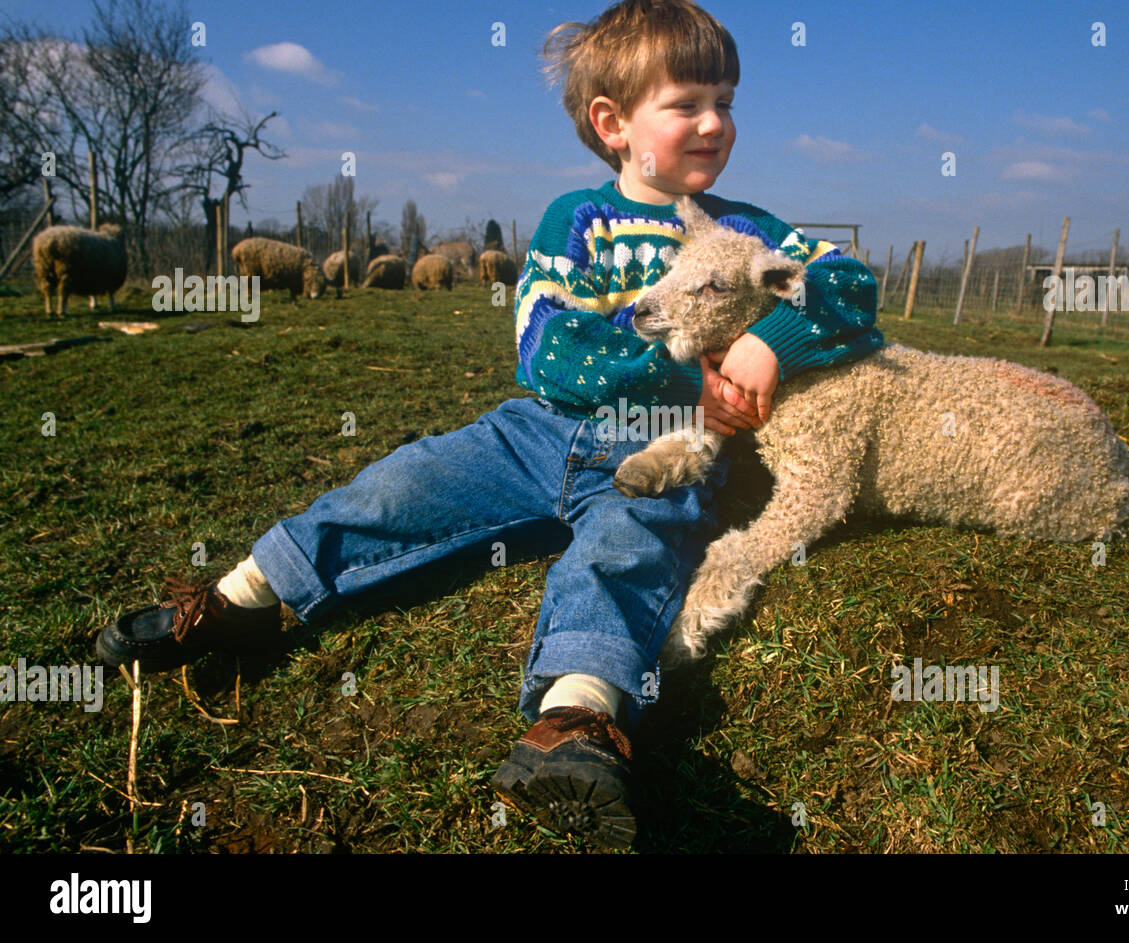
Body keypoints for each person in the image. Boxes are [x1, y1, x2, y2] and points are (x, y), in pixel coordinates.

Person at [94, 0, 883, 848]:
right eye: (688, 103)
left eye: (726, 101)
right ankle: (239, 597)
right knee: (404, 482)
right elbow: (549, 346)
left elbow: (849, 287)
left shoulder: (750, 228)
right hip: (538, 429)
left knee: (633, 544)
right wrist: (689, 367)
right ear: (612, 123)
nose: (716, 122)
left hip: (665, 450)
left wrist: (770, 340)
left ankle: (573, 722)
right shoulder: (574, 222)